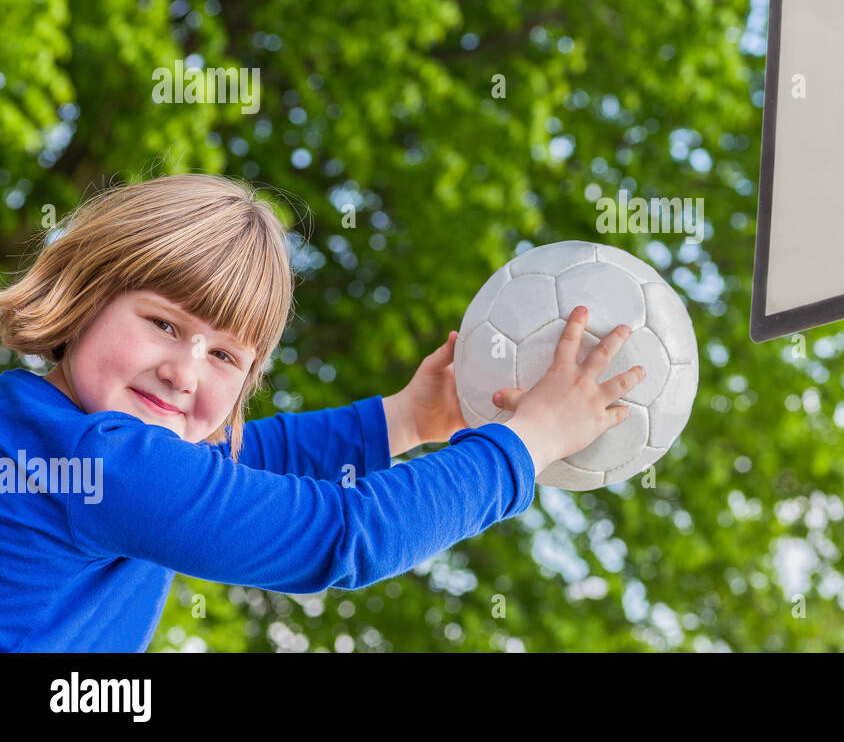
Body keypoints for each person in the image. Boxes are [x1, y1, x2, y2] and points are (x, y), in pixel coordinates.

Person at [0, 172, 642, 651]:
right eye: (164, 325)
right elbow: (341, 534)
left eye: (225, 356)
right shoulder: (101, 464)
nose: (183, 370)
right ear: (86, 292)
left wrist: (408, 418)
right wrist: (524, 445)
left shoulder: (41, 425)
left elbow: (254, 458)